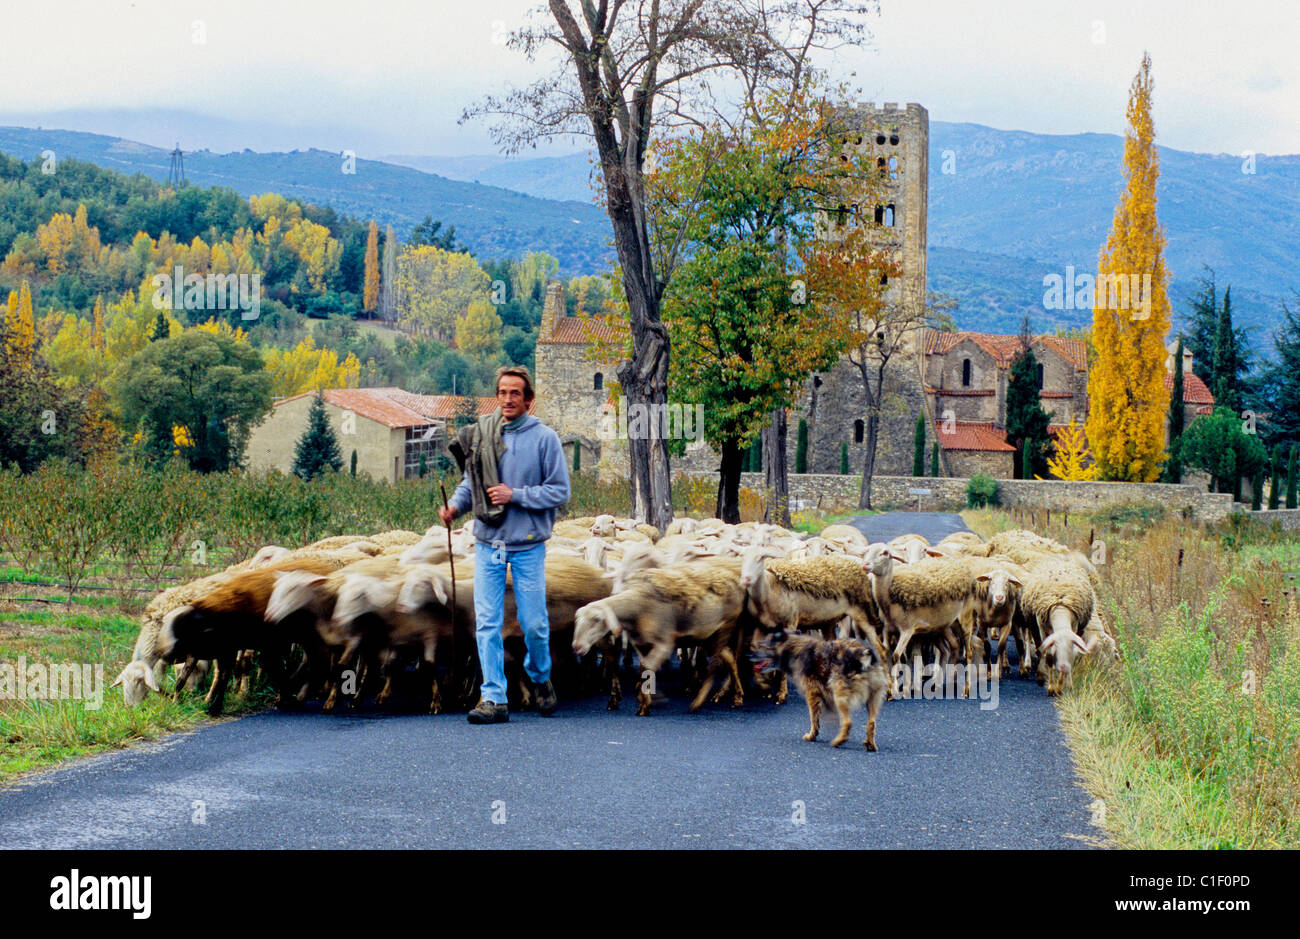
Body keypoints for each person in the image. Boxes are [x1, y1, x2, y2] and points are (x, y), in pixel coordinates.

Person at [441, 365, 569, 723]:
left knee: (535, 625)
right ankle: (493, 698)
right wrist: (455, 506)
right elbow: (471, 484)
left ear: (528, 399)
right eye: (502, 392)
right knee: (487, 622)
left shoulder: (545, 439)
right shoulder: (483, 434)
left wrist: (516, 495)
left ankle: (540, 677)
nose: (508, 399)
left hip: (528, 545)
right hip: (487, 542)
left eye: (515, 393)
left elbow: (560, 491)